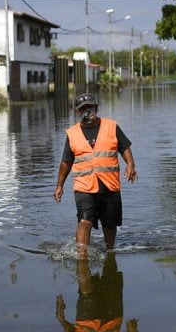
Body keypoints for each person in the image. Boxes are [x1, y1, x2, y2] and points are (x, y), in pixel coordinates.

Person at [54, 93, 137, 256]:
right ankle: (82, 256)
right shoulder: (72, 133)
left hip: (109, 185)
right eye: (83, 109)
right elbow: (66, 162)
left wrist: (130, 164)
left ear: (96, 108)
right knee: (85, 221)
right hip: (84, 186)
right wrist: (59, 186)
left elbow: (124, 147)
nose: (87, 111)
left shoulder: (111, 126)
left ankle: (109, 251)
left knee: (109, 224)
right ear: (78, 112)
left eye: (90, 107)